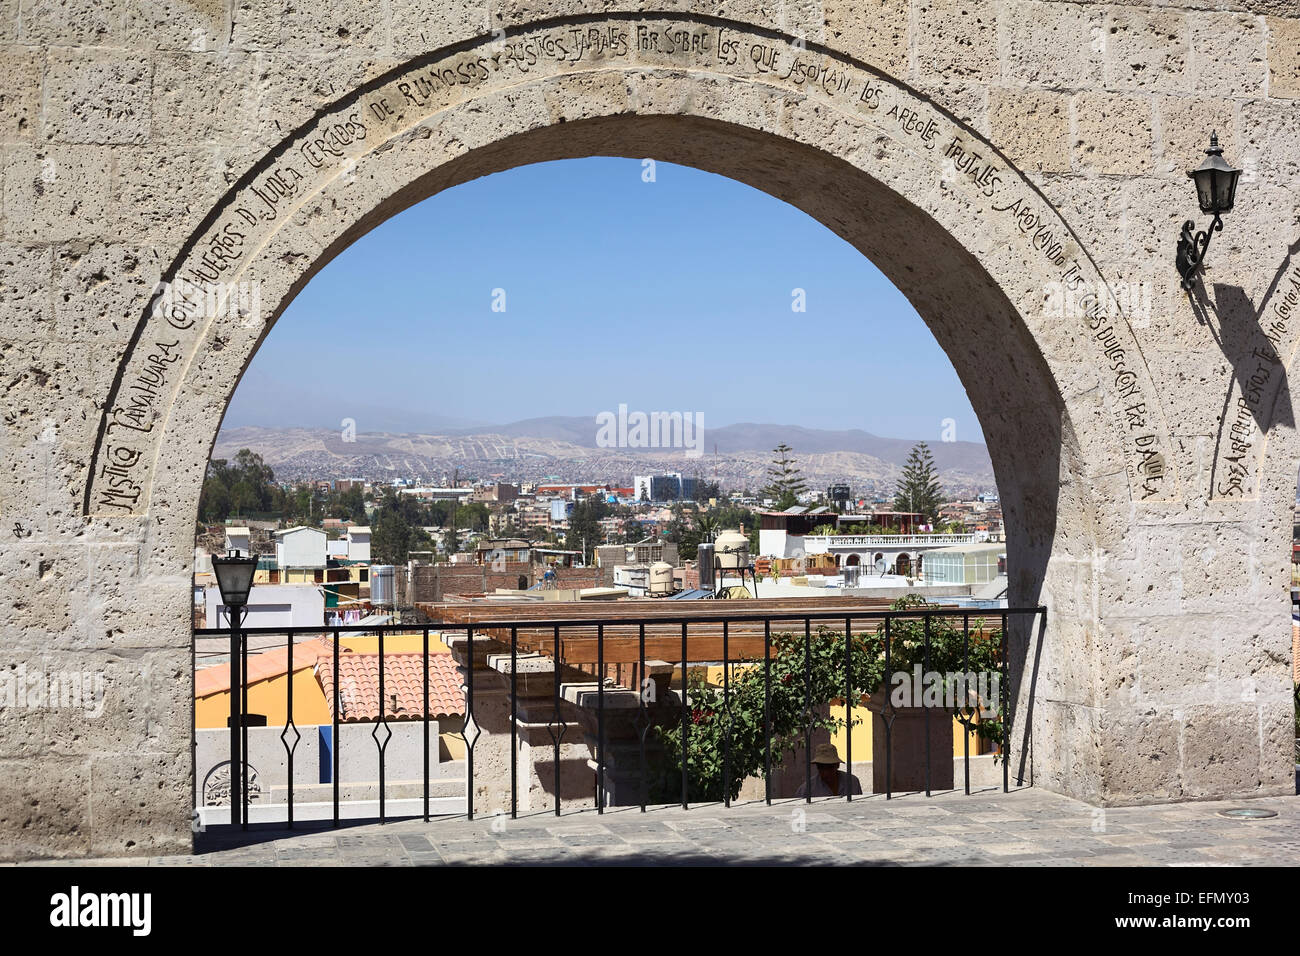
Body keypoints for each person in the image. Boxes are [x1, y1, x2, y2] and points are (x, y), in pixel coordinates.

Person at [794, 742, 863, 797]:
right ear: (817, 767)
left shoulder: (852, 782)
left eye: (830, 767)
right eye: (821, 767)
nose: (826, 772)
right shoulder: (806, 789)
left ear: (837, 765)